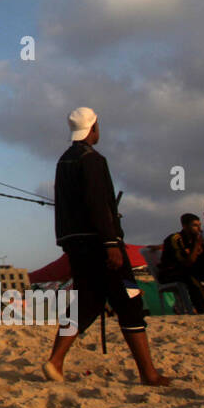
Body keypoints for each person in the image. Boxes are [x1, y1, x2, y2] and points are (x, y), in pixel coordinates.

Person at [44, 108, 169, 386]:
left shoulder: (64, 161)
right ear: (93, 128)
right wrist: (111, 243)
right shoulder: (93, 159)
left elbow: (66, 209)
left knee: (88, 302)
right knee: (129, 301)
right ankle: (149, 374)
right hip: (101, 245)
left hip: (75, 245)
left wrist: (66, 242)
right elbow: (99, 204)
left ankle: (56, 361)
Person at [157, 213, 204, 312]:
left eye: (199, 225)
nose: (198, 229)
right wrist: (197, 245)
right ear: (184, 226)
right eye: (195, 225)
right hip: (170, 273)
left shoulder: (196, 239)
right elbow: (187, 262)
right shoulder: (176, 239)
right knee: (191, 276)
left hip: (189, 270)